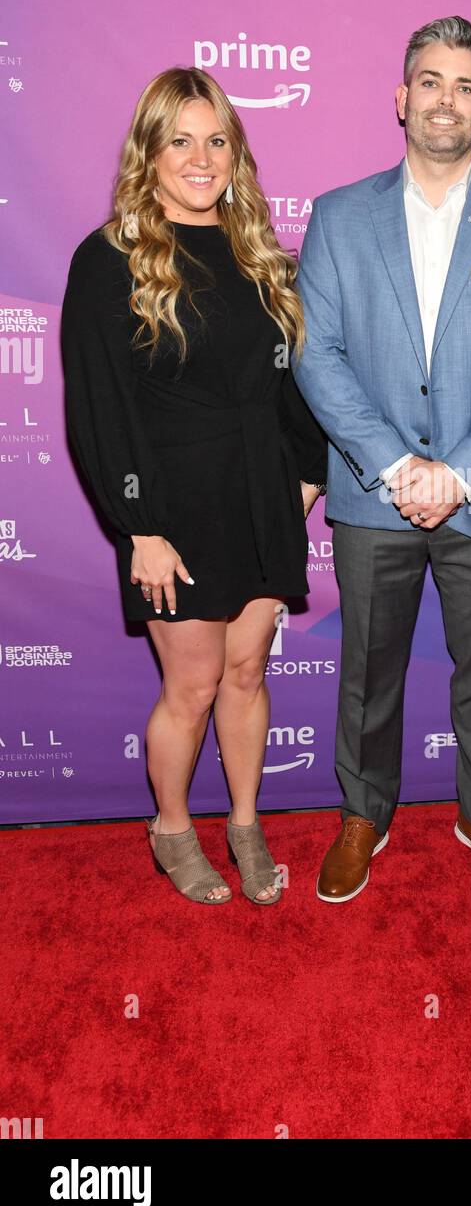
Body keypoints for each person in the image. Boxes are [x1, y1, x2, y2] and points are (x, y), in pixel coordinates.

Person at [293, 16, 471, 902]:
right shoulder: (338, 217)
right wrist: (391, 464)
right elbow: (316, 354)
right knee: (368, 669)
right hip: (372, 497)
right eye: (430, 81)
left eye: (464, 86)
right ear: (400, 96)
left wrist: (457, 472)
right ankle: (363, 815)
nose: (445, 99)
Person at [60, 67, 327, 906]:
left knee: (246, 674)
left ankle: (245, 822)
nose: (201, 158)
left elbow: (298, 383)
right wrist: (139, 527)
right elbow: (99, 408)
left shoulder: (262, 256)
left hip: (263, 492)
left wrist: (310, 474)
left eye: (217, 140)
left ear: (235, 155)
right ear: (151, 150)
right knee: (193, 683)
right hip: (171, 507)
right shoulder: (110, 259)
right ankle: (172, 828)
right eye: (181, 139)